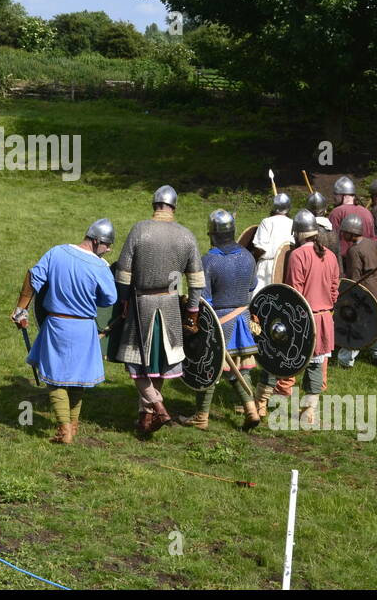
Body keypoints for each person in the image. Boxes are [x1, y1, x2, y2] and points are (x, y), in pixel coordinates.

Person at [12, 218, 118, 444]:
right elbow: (109, 298)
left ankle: (65, 429)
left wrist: (21, 309)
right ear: (96, 241)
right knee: (76, 379)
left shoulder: (56, 252)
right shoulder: (100, 267)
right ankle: (71, 426)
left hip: (58, 326)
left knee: (57, 379)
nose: (109, 250)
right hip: (84, 328)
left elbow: (33, 277)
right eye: (107, 245)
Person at [112, 185, 204, 436]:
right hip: (170, 305)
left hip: (142, 305)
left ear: (154, 205)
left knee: (137, 365)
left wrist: (123, 300)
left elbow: (123, 273)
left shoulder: (140, 230)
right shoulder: (186, 235)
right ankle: (145, 419)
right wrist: (193, 310)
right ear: (174, 206)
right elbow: (196, 280)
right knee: (160, 365)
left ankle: (157, 408)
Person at [256, 208, 342, 426]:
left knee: (276, 357)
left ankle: (261, 405)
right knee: (315, 366)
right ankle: (307, 413)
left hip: (299, 319)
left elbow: (294, 293)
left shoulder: (297, 255)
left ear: (298, 233)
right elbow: (335, 289)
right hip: (323, 319)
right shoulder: (330, 256)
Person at [179, 209, 260, 430]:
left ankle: (201, 417)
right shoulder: (248, 256)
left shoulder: (209, 260)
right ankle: (251, 410)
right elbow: (252, 287)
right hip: (242, 321)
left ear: (212, 235)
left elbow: (203, 297)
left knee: (209, 368)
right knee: (241, 369)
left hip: (220, 323)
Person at [335, 215, 377, 368]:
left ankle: (345, 359)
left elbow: (354, 277)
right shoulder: (371, 243)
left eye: (345, 232)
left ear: (351, 232)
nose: (343, 235)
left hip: (364, 289)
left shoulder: (353, 251)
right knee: (376, 321)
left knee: (356, 323)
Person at [328, 175, 377, 255]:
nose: (334, 198)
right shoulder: (367, 212)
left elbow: (331, 240)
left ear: (343, 196)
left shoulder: (336, 213)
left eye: (336, 195)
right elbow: (372, 238)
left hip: (345, 260)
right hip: (367, 256)